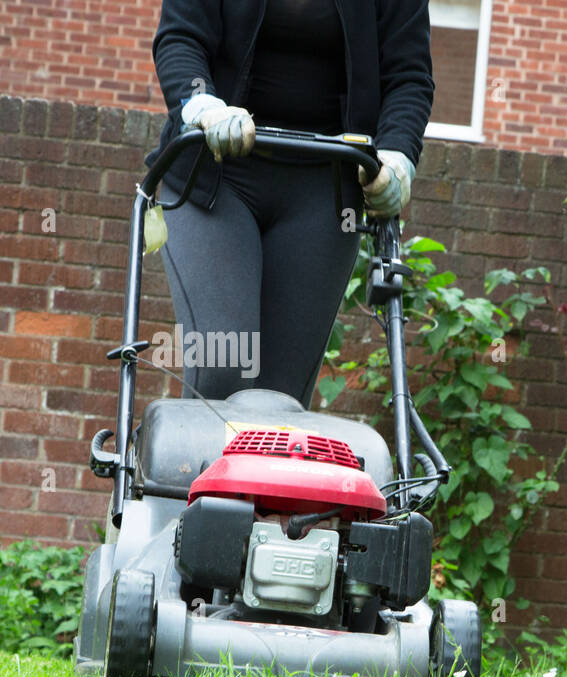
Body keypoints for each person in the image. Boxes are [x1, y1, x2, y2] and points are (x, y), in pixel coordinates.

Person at [145, 0, 435, 408]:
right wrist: (204, 107)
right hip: (215, 173)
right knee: (222, 365)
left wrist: (397, 156)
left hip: (324, 189)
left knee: (280, 401)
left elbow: (408, 75)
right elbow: (181, 36)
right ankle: (192, 466)